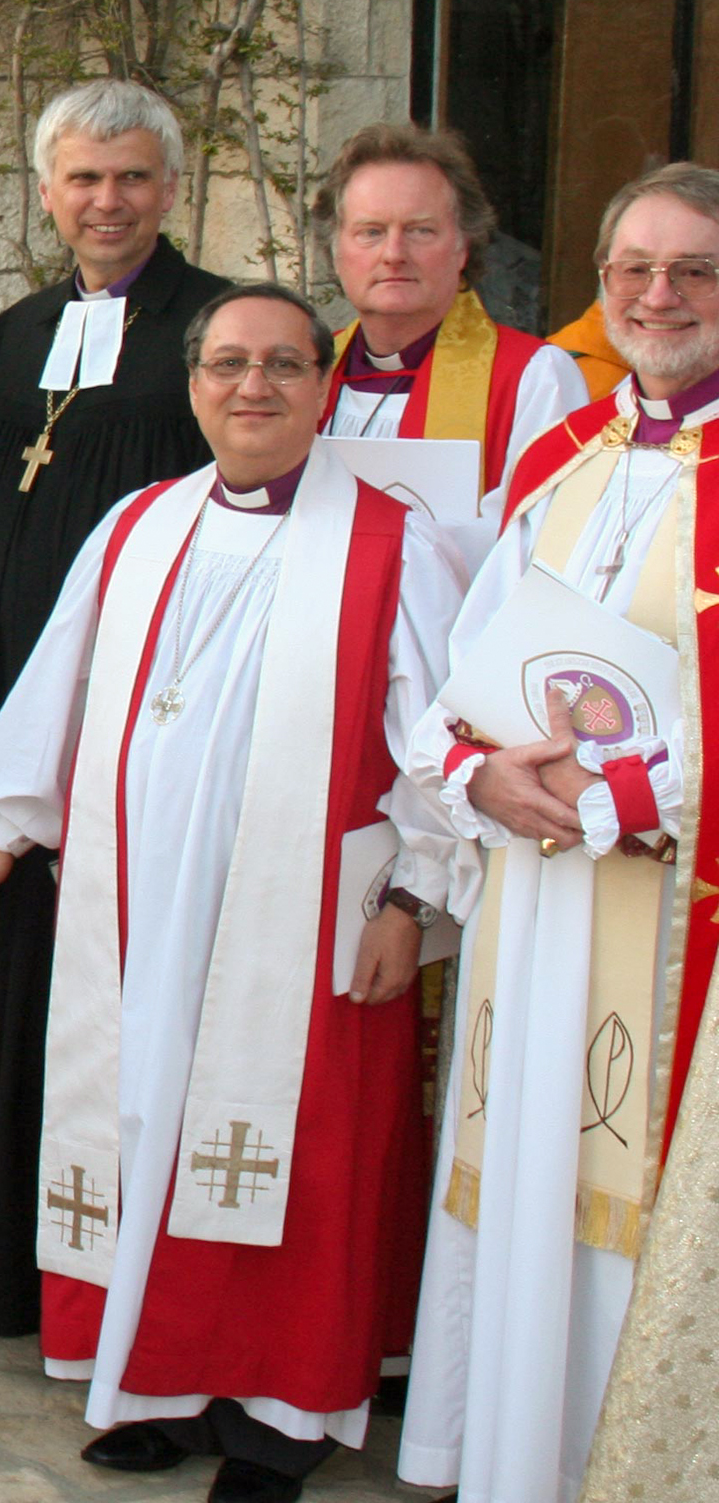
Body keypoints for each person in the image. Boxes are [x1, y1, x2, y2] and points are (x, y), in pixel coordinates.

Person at [0, 283, 468, 1503]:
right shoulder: (139, 526)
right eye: (229, 363)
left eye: (283, 364)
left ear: (323, 382)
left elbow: (443, 746)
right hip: (136, 904)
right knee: (142, 1126)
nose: (254, 387)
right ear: (193, 386)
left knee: (295, 1156)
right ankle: (164, 1387)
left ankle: (283, 1413)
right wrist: (6, 827)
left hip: (308, 915)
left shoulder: (395, 546)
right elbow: (64, 687)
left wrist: (412, 902)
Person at [396, 163, 719, 1501]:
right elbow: (464, 669)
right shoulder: (560, 452)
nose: (658, 294)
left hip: (666, 895)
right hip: (532, 895)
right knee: (520, 1156)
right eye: (632, 268)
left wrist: (614, 798)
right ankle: (511, 1465)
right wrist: (474, 775)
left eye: (693, 270)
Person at [0, 78, 234, 1335]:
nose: (106, 202)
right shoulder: (13, 332)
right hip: (7, 706)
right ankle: (4, 1270)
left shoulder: (216, 330)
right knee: (10, 995)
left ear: (169, 188)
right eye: (83, 179)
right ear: (47, 193)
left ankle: (122, 1284)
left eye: (130, 178)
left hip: (138, 718)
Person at [311, 122, 584, 524]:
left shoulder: (534, 378)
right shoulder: (306, 370)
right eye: (371, 232)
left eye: (420, 231)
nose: (394, 253)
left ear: (463, 246)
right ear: (335, 252)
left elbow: (547, 540)